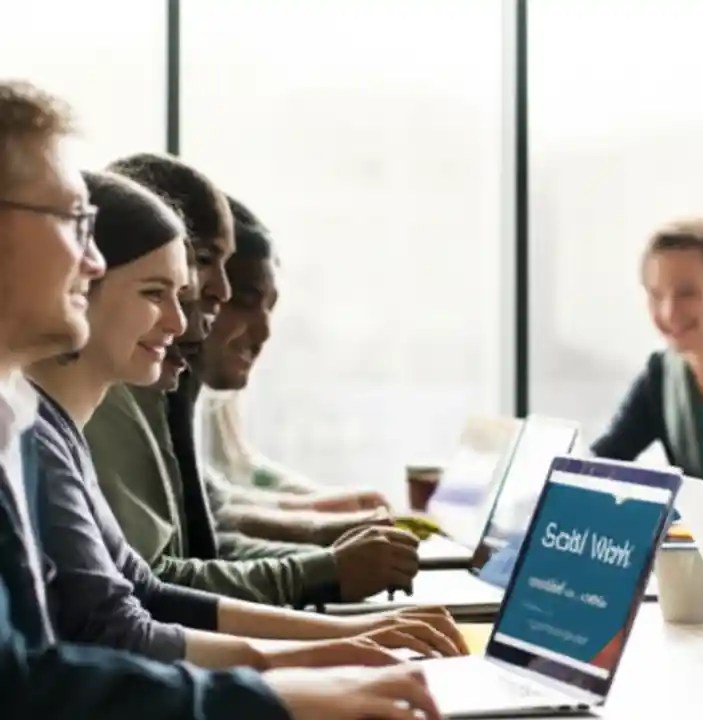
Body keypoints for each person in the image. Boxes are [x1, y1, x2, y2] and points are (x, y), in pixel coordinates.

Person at [0, 78, 439, 720]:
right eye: (74, 221)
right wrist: (286, 689)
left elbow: (138, 594)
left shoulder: (30, 423)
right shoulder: (42, 429)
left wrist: (339, 651)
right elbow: (42, 678)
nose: (90, 260)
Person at [28, 170, 464, 668]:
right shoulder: (40, 438)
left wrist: (352, 634)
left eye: (181, 292)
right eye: (155, 293)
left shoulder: (61, 432)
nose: (180, 319)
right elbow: (119, 631)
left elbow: (145, 590)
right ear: (82, 285)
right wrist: (318, 658)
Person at [83, 155, 411, 605]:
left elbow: (196, 546)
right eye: (203, 262)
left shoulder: (140, 394)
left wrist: (328, 562)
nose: (214, 290)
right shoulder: (103, 404)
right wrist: (322, 571)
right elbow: (147, 596)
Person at [196, 197, 394, 542]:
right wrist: (323, 539)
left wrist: (323, 507)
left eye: (270, 308)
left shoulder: (205, 393)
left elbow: (218, 494)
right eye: (244, 302)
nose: (265, 333)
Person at [591, 218, 703, 479]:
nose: (669, 311)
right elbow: (604, 458)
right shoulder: (659, 377)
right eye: (656, 295)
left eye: (687, 293)